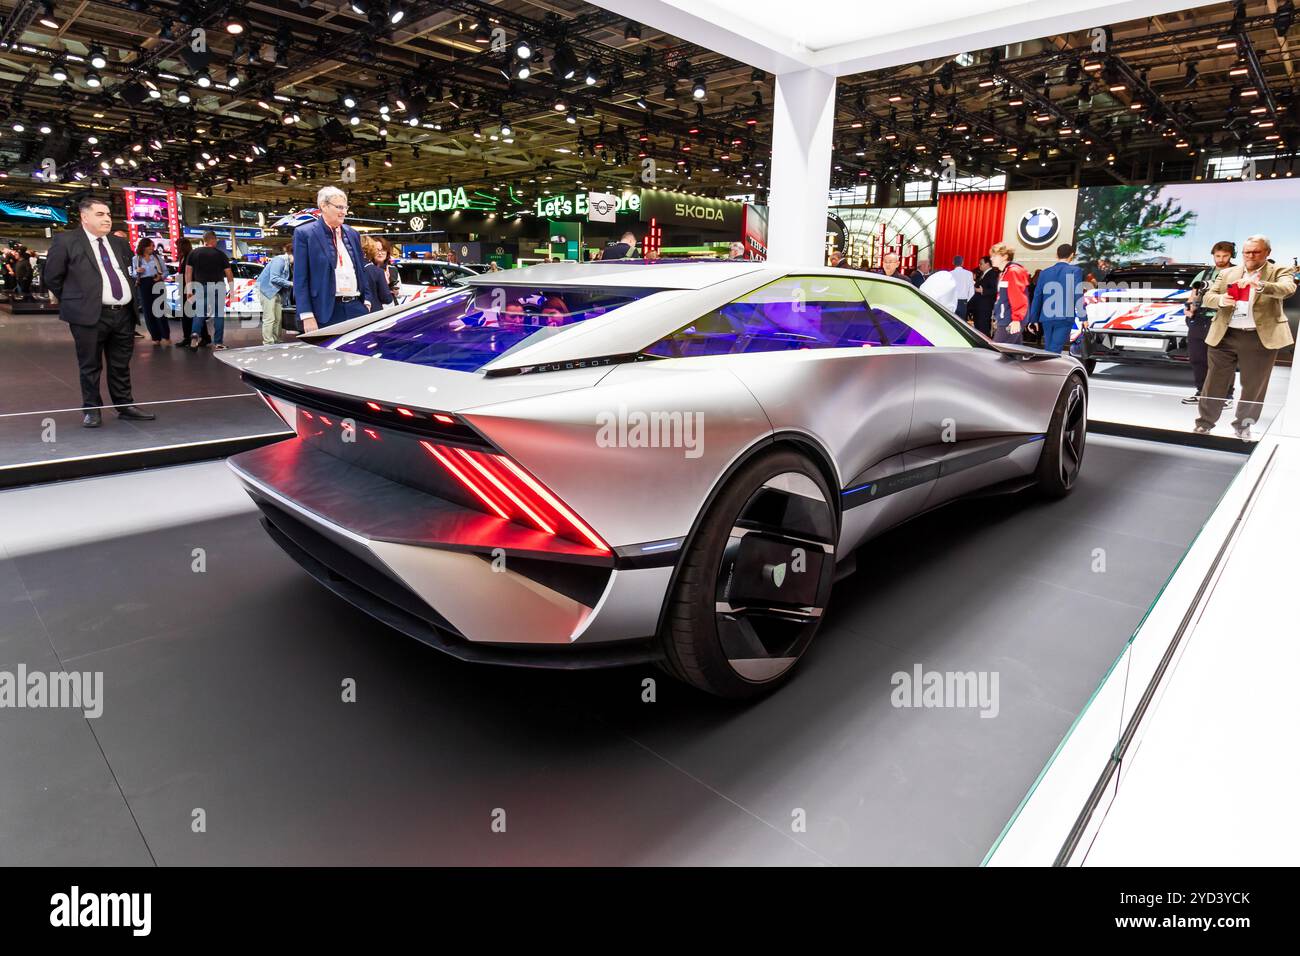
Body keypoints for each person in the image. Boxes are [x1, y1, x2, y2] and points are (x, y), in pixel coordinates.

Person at [42, 197, 155, 428]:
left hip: (123, 314)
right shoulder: (66, 241)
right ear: (85, 217)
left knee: (120, 364)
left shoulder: (119, 243)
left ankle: (125, 405)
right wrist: (77, 300)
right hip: (88, 315)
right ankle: (92, 409)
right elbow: (52, 277)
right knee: (90, 365)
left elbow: (127, 272)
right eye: (100, 214)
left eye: (109, 214)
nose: (107, 219)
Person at [1194, 234, 1296, 441]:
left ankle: (1244, 426)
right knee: (1214, 382)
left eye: (1256, 252)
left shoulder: (1279, 271)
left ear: (1267, 252)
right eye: (1247, 252)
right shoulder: (1228, 273)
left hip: (1259, 337)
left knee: (1254, 386)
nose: (1250, 255)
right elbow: (1208, 297)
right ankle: (1204, 424)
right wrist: (1222, 299)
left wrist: (1260, 285)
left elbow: (1288, 289)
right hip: (1225, 335)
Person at [292, 185, 372, 332]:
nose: (344, 212)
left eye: (346, 207)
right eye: (339, 207)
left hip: (356, 308)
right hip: (325, 311)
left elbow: (361, 270)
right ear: (324, 206)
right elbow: (300, 278)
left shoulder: (353, 233)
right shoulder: (305, 234)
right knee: (328, 348)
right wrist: (306, 314)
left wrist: (367, 300)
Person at [1184, 241, 1237, 406]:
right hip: (1200, 319)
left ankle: (1226, 396)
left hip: (1224, 319)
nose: (1220, 259)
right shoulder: (1204, 274)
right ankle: (1201, 392)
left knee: (1223, 360)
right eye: (1217, 256)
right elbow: (1193, 295)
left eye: (1225, 256)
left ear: (1231, 256)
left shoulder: (1238, 273)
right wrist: (1189, 308)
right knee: (1197, 358)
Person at [1025, 243, 1085, 354]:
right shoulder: (1075, 271)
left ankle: (1047, 364)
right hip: (1064, 317)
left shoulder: (1044, 273)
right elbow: (1078, 295)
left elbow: (1037, 297)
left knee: (1049, 348)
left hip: (1046, 316)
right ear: (1072, 255)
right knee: (1054, 350)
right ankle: (1048, 364)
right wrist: (1083, 318)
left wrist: (1033, 319)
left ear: (1056, 255)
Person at [182, 231, 233, 350]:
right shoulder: (220, 254)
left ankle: (195, 335)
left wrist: (189, 290)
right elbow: (229, 273)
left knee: (199, 313)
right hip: (218, 286)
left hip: (201, 286)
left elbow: (188, 273)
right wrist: (232, 290)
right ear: (214, 240)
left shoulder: (194, 253)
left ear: (204, 240)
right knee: (218, 315)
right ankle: (218, 343)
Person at [133, 237, 171, 344]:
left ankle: (166, 336)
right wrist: (137, 271)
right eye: (150, 246)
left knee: (160, 310)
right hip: (143, 284)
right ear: (144, 247)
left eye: (153, 246)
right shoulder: (136, 259)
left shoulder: (157, 258)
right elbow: (133, 274)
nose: (152, 248)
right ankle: (155, 337)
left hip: (157, 282)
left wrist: (161, 276)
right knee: (148, 311)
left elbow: (165, 271)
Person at [254, 241, 293, 345]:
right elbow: (274, 278)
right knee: (269, 318)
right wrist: (291, 284)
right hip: (267, 291)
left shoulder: (287, 263)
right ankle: (268, 342)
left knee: (278, 319)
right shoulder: (279, 260)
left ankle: (276, 340)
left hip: (277, 292)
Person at [990, 242, 1029, 344]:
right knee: (1012, 351)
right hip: (1007, 319)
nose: (991, 258)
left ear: (1005, 257)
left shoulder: (1013, 272)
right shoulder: (1005, 272)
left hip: (1010, 320)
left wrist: (1016, 319)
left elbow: (1018, 296)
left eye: (994, 256)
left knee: (998, 350)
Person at [360, 235, 393, 312]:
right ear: (372, 250)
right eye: (377, 249)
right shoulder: (377, 272)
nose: (380, 252)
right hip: (374, 312)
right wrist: (386, 284)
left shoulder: (352, 267)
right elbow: (387, 299)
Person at [970, 254, 999, 336]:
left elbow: (994, 289)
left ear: (987, 264)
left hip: (985, 307)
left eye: (981, 263)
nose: (979, 265)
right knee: (979, 327)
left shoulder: (992, 273)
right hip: (979, 306)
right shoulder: (983, 274)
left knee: (983, 328)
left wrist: (982, 291)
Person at [949, 255, 975, 320]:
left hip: (952, 301)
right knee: (961, 322)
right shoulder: (969, 274)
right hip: (963, 302)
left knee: (951, 321)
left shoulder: (950, 274)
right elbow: (972, 292)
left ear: (953, 263)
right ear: (962, 263)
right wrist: (966, 301)